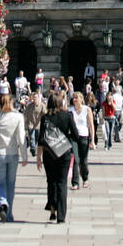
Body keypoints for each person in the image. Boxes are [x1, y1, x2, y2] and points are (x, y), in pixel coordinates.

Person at [38, 92, 78, 223]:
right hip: (64, 153)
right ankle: (61, 216)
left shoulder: (45, 118)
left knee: (51, 182)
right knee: (62, 183)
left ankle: (52, 210)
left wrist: (38, 157)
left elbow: (41, 139)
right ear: (61, 103)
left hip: (49, 154)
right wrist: (66, 139)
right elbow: (76, 135)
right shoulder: (67, 115)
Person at [0, 93, 27, 221]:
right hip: (12, 153)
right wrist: (25, 156)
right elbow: (21, 138)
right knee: (11, 184)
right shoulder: (18, 117)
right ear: (12, 102)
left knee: (0, 183)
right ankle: (9, 213)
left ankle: (2, 203)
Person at [69, 91, 93, 189]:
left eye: (76, 97)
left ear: (81, 99)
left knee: (83, 160)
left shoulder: (87, 109)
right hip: (73, 137)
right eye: (73, 98)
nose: (75, 99)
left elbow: (91, 125)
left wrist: (92, 140)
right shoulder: (70, 110)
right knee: (75, 159)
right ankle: (75, 183)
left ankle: (85, 178)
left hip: (84, 136)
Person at [23, 91, 46, 158]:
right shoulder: (30, 106)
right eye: (33, 98)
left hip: (38, 125)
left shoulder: (41, 105)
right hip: (31, 124)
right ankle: (33, 148)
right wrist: (25, 123)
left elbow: (45, 113)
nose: (34, 99)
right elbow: (26, 114)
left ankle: (34, 149)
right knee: (32, 137)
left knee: (37, 138)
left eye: (36, 97)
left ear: (38, 98)